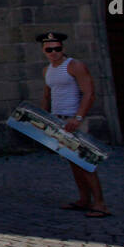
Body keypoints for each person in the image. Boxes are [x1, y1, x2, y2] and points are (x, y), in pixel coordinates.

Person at [37, 31, 109, 217]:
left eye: (57, 48)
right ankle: (84, 199)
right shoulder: (47, 70)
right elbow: (47, 96)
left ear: (63, 48)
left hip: (74, 119)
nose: (53, 52)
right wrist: (43, 119)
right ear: (44, 50)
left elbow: (88, 93)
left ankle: (100, 204)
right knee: (73, 162)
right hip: (58, 119)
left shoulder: (75, 65)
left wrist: (77, 118)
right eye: (49, 49)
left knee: (85, 162)